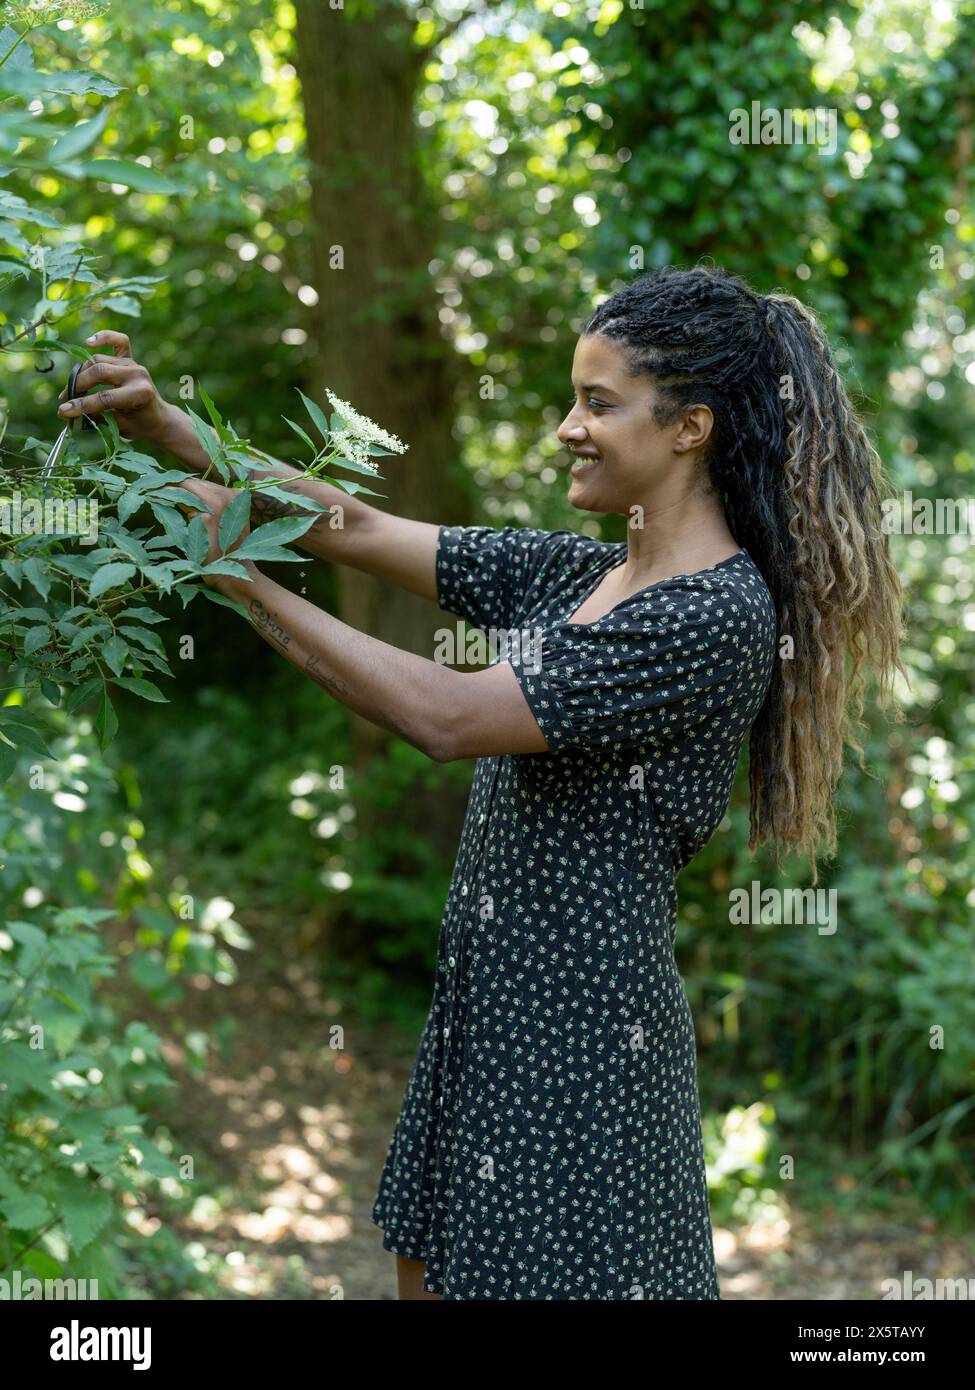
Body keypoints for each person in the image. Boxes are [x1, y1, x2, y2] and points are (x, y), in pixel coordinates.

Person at [59, 263, 906, 1300]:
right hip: (490, 1011)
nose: (566, 427)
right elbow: (355, 528)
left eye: (598, 404)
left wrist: (230, 571)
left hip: (582, 1045)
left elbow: (445, 715)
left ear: (691, 427)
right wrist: (171, 433)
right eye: (570, 398)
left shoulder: (711, 616)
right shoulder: (577, 575)